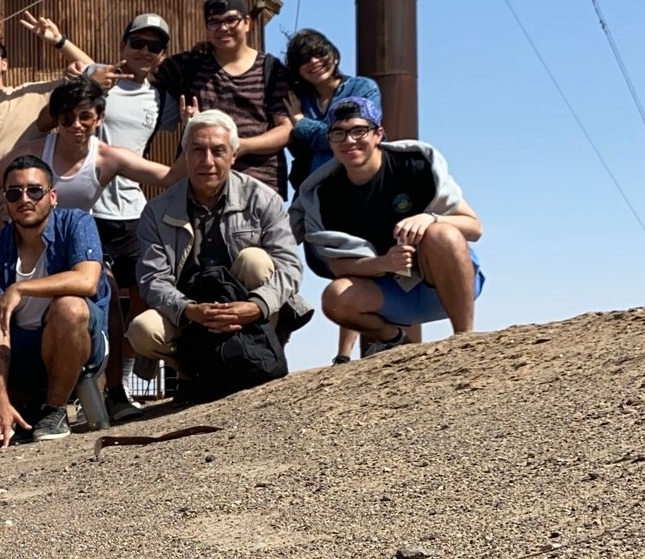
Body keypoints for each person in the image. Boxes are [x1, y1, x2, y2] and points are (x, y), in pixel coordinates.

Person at [0, 155, 110, 448]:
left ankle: (54, 410)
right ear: (6, 200)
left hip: (77, 343)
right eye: (14, 193)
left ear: (52, 196)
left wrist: (21, 288)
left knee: (69, 306)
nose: (24, 199)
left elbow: (87, 280)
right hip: (21, 347)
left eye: (34, 190)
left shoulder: (77, 223)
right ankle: (22, 407)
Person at [290, 97, 485, 357]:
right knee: (335, 298)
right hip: (391, 294)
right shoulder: (323, 193)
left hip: (444, 284)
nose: (349, 141)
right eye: (339, 133)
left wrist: (431, 218)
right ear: (330, 140)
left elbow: (474, 227)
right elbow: (338, 265)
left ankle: (464, 339)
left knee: (443, 234)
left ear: (378, 134)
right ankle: (393, 339)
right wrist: (384, 263)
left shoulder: (413, 165)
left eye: (359, 131)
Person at [126, 111, 305, 378]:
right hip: (191, 313)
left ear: (233, 155)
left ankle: (264, 352)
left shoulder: (263, 199)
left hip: (248, 308)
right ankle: (193, 374)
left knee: (255, 261)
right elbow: (153, 280)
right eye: (198, 150)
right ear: (185, 153)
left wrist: (256, 306)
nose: (207, 161)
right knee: (143, 330)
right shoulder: (156, 211)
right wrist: (188, 309)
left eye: (218, 151)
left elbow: (290, 268)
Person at [66, 13, 179, 413]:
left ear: (162, 54)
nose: (144, 52)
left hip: (134, 209)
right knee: (107, 298)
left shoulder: (161, 99)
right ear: (123, 45)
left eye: (154, 46)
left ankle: (136, 363)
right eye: (137, 43)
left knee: (150, 291)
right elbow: (81, 74)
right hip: (91, 208)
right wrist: (59, 40)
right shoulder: (101, 82)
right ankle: (111, 392)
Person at [283, 29, 382, 363]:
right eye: (304, 59)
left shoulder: (362, 88)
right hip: (314, 193)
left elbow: (344, 135)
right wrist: (307, 128)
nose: (314, 62)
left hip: (354, 184)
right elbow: (328, 137)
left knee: (353, 261)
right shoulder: (302, 98)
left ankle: (347, 351)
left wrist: (301, 123)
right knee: (284, 246)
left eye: (319, 54)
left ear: (334, 55)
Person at [0, 15, 89, 248]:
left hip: (35, 214)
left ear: (5, 63)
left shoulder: (35, 94)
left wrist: (59, 41)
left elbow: (93, 74)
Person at [152, 0, 294, 196]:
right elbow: (142, 73)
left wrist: (241, 146)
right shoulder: (190, 65)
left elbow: (286, 130)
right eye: (214, 22)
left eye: (231, 20)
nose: (223, 28)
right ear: (207, 29)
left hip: (259, 187)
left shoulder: (271, 70)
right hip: (203, 186)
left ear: (247, 23)